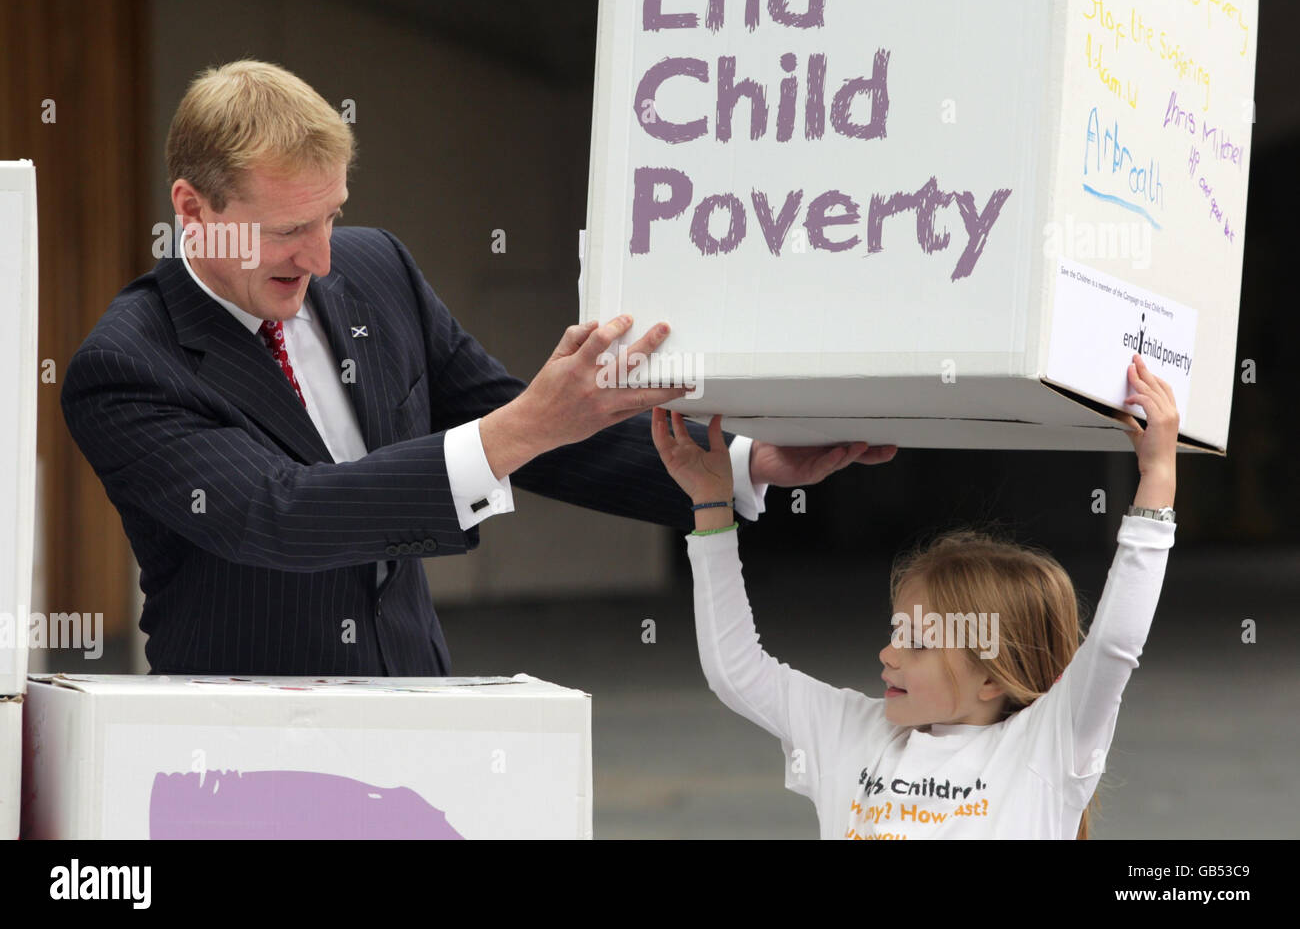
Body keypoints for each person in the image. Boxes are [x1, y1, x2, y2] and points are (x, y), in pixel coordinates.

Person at [60, 59, 895, 677]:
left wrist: (745, 464)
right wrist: (523, 425)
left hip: (422, 706)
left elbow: (521, 421)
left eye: (332, 216)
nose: (318, 258)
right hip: (240, 748)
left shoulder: (375, 267)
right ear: (191, 208)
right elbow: (280, 516)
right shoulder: (127, 364)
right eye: (285, 231)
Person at [652, 353, 1178, 839]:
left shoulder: (1045, 746)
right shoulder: (852, 732)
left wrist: (1157, 477)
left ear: (993, 676)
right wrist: (711, 505)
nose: (888, 654)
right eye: (897, 633)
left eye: (919, 643)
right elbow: (735, 669)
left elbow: (1113, 645)